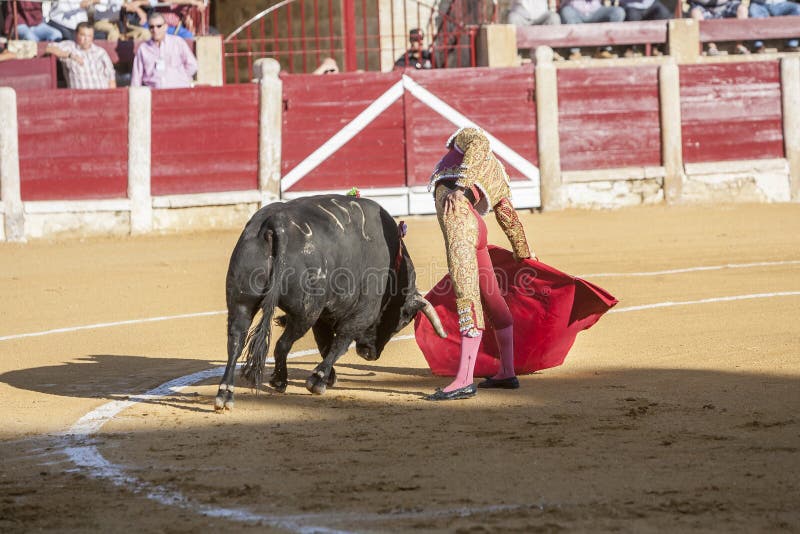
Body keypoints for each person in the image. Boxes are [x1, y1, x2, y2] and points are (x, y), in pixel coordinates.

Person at [425, 127, 535, 401]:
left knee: (467, 294)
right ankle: (507, 372)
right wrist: (524, 252)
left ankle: (463, 380)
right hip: (477, 225)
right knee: (493, 299)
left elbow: (479, 141)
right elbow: (508, 217)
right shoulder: (497, 174)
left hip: (460, 221)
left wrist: (459, 189)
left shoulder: (466, 138)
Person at [131, 12, 196, 88]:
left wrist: (180, 78)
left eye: (159, 26)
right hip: (153, 93)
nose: (155, 30)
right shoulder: (143, 48)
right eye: (152, 27)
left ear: (165, 27)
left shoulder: (177, 42)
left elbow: (192, 65)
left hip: (178, 90)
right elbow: (136, 76)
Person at [45, 22, 116, 88]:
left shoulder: (100, 52)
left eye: (89, 36)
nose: (86, 39)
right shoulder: (69, 47)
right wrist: (69, 55)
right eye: (83, 35)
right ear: (76, 34)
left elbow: (111, 78)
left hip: (102, 94)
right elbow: (48, 48)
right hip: (79, 97)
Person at [558, 0, 625, 59]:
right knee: (567, 12)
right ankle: (574, 52)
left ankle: (604, 50)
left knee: (618, 12)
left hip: (596, 10)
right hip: (574, 10)